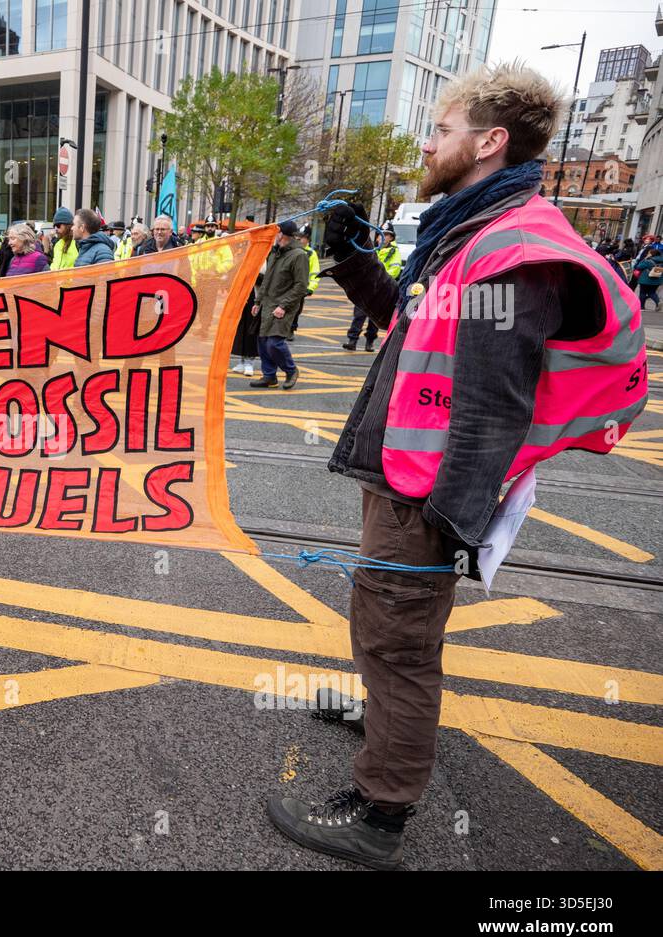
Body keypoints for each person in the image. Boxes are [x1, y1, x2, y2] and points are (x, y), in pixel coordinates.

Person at [274, 61, 647, 870]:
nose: (428, 142)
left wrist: (449, 522)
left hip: (425, 492)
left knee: (401, 642)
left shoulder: (513, 249)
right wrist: (351, 261)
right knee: (382, 629)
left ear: (489, 140)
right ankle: (380, 717)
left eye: (441, 129)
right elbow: (412, 329)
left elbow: (494, 407)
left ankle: (379, 812)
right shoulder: (474, 228)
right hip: (407, 480)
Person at [249, 220, 308, 390]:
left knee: (274, 343)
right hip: (267, 304)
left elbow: (301, 286)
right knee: (262, 340)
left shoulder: (299, 255)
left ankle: (291, 371)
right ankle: (269, 376)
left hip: (283, 306)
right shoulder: (276, 252)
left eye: (276, 232)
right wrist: (258, 301)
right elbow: (267, 279)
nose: (274, 235)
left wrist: (284, 306)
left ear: (283, 235)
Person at [344, 227, 402, 351]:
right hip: (365, 287)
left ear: (391, 238)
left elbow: (395, 270)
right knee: (358, 316)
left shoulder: (394, 252)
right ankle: (352, 340)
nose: (382, 237)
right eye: (381, 235)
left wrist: (380, 279)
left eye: (386, 235)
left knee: (374, 319)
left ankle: (369, 342)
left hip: (381, 289)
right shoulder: (371, 249)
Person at [636, 244, 663, 310]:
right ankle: (658, 302)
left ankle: (642, 307)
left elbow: (638, 267)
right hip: (657, 279)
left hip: (645, 279)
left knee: (643, 292)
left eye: (649, 253)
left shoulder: (648, 261)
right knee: (652, 292)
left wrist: (645, 258)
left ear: (652, 254)